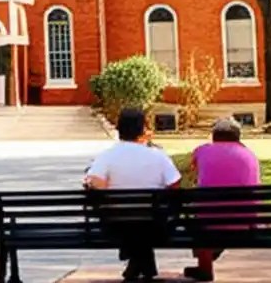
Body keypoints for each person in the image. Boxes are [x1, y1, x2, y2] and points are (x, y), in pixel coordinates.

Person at [84, 108, 181, 282]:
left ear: (119, 129)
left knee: (130, 226)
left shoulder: (107, 156)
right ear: (143, 129)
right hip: (155, 226)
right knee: (142, 227)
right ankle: (143, 268)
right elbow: (175, 184)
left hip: (116, 226)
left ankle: (136, 265)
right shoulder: (158, 156)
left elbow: (94, 183)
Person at [183, 118, 261, 282]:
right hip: (245, 223)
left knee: (198, 217)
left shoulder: (202, 150)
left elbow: (191, 173)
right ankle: (210, 257)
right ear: (238, 137)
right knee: (215, 215)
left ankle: (205, 267)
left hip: (209, 222)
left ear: (214, 135)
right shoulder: (250, 154)